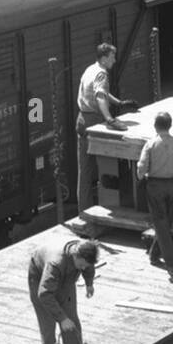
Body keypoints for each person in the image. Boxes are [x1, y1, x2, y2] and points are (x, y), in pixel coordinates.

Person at [28, 237, 97, 344]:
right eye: (81, 265)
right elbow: (44, 294)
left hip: (65, 281)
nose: (84, 267)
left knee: (73, 325)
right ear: (75, 256)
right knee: (48, 332)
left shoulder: (83, 256)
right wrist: (62, 318)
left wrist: (89, 283)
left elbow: (89, 266)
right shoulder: (56, 263)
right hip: (41, 284)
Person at [76, 43, 126, 215]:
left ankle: (84, 211)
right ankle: (110, 207)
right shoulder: (102, 74)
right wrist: (110, 119)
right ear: (104, 58)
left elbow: (101, 92)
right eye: (112, 56)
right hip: (94, 121)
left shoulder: (91, 69)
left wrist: (118, 102)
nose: (115, 59)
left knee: (84, 171)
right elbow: (99, 96)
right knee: (107, 164)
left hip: (82, 119)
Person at [138, 111, 173, 270]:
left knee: (161, 224)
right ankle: (155, 255)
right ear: (170, 126)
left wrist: (140, 176)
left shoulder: (150, 144)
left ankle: (171, 262)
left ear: (155, 126)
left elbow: (141, 166)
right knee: (168, 222)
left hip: (155, 186)